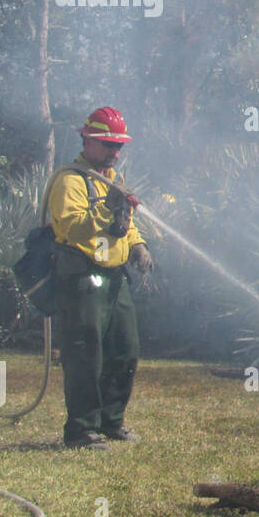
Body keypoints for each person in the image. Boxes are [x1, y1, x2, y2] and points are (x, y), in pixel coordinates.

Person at [43, 107, 154, 449]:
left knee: (125, 349)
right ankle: (80, 430)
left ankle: (111, 421)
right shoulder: (70, 180)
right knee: (85, 353)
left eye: (119, 145)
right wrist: (106, 208)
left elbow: (127, 222)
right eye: (107, 144)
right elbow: (71, 227)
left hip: (114, 277)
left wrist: (138, 245)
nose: (114, 152)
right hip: (82, 278)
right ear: (87, 140)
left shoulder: (112, 180)